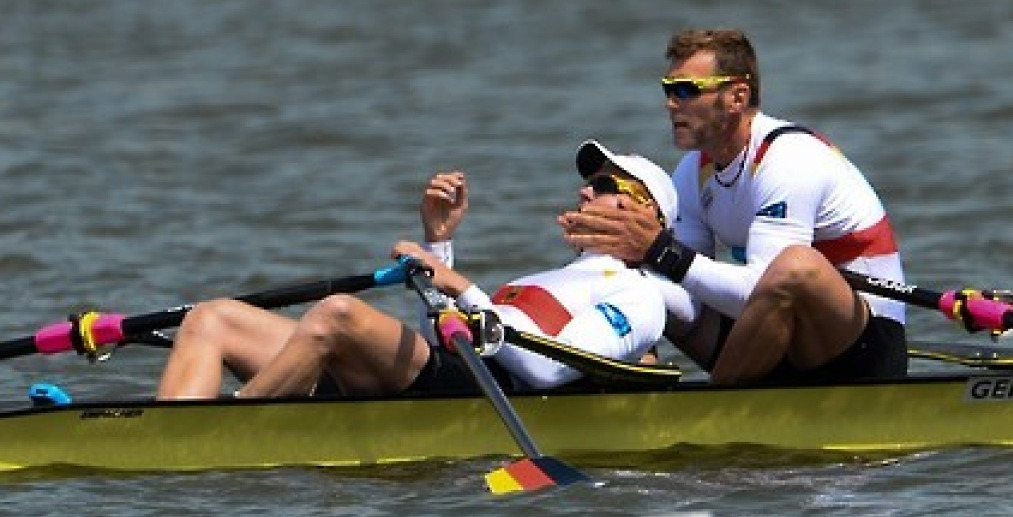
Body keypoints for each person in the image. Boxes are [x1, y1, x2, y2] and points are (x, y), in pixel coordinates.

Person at [156, 141, 693, 399]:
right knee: (212, 317)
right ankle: (164, 438)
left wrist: (461, 286)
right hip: (443, 373)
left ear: (647, 214)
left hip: (485, 394)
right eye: (588, 183)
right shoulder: (546, 279)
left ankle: (221, 431)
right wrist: (441, 241)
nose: (584, 192)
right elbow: (443, 336)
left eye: (604, 186)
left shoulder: (640, 295)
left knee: (338, 313)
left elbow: (550, 371)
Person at [559, 28, 908, 385]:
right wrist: (624, 261)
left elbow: (757, 292)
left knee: (795, 267)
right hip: (776, 341)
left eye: (686, 90)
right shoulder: (694, 172)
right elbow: (686, 281)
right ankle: (621, 378)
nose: (671, 104)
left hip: (862, 348)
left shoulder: (790, 159)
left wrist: (657, 248)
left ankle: (713, 408)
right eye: (668, 90)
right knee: (643, 277)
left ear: (737, 97)